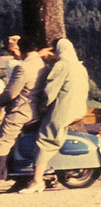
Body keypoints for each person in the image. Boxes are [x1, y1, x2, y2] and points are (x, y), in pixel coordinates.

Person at [21, 38, 88, 194]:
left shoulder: (61, 66)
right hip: (78, 109)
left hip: (63, 109)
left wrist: (42, 106)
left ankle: (37, 181)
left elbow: (49, 91)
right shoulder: (80, 67)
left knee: (45, 140)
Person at [0, 39, 53, 185]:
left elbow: (11, 93)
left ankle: (2, 172)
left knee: (4, 139)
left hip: (22, 110)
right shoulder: (43, 65)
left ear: (21, 49)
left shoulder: (23, 67)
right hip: (37, 110)